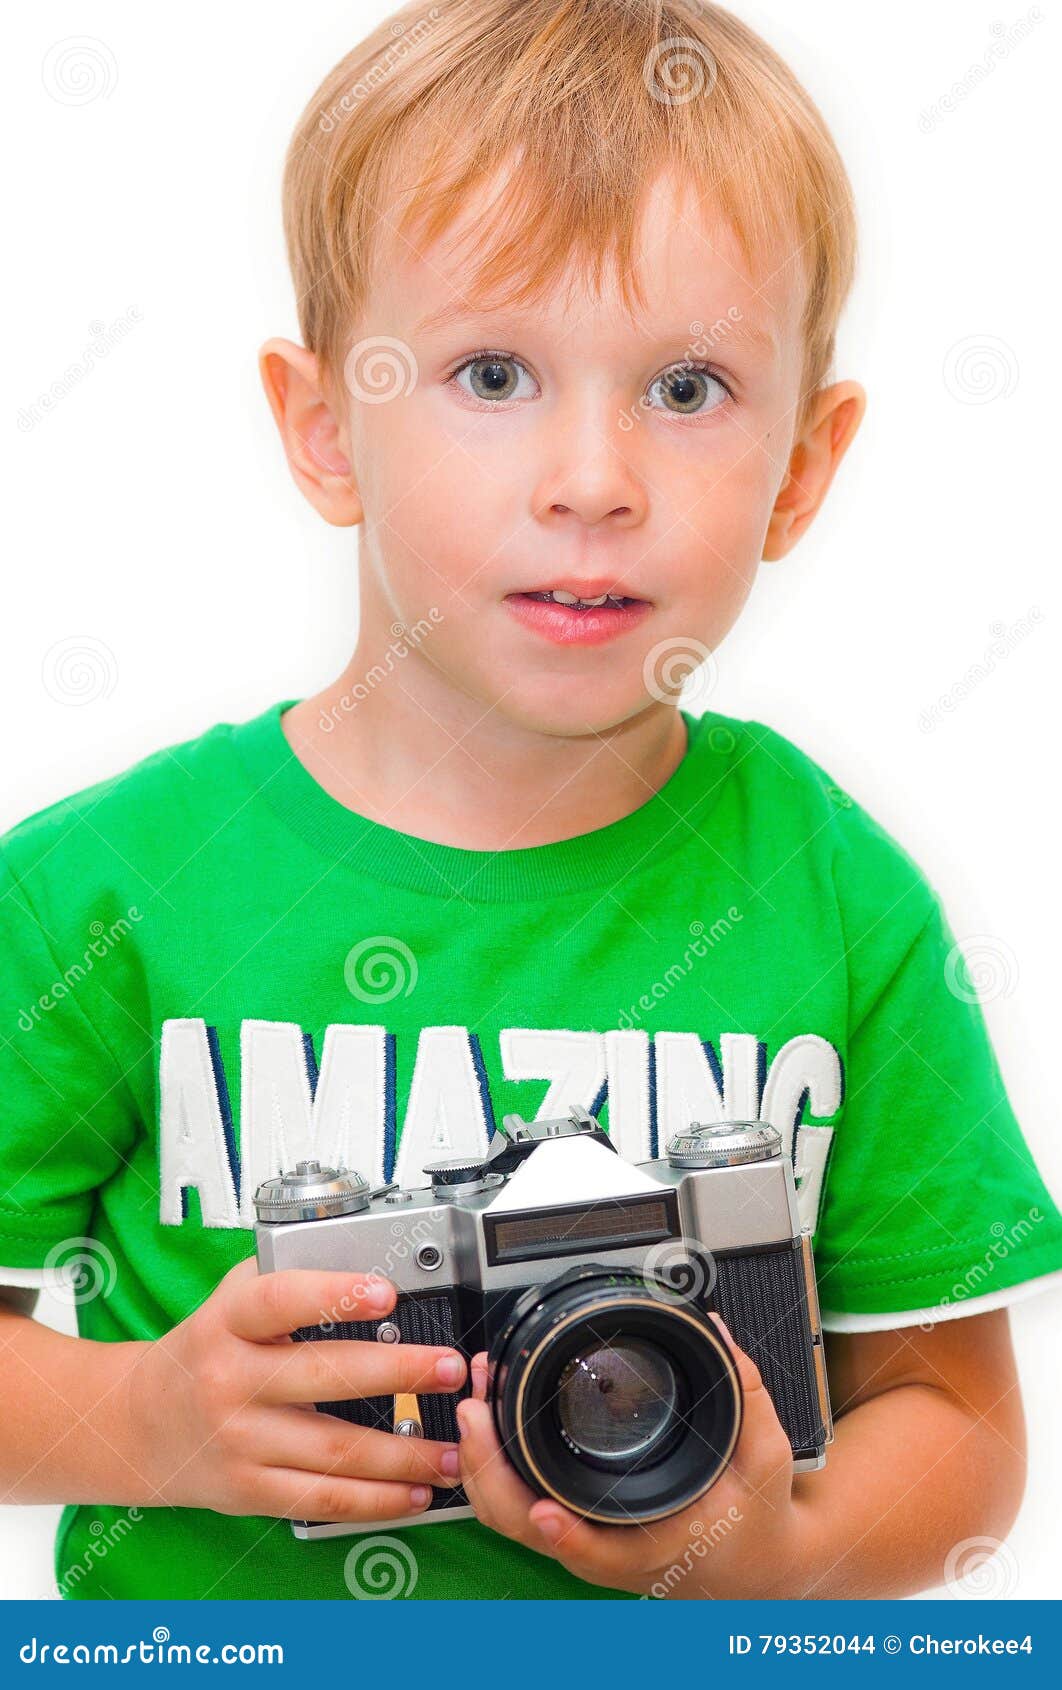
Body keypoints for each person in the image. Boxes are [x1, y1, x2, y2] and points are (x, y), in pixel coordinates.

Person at [2, 0, 1060, 1602]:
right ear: (320, 425)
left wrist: (770, 1546)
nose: (591, 478)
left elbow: (962, 1426)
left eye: (688, 388)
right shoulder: (106, 889)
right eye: (490, 371)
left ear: (802, 466)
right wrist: (149, 1420)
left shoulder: (834, 893)